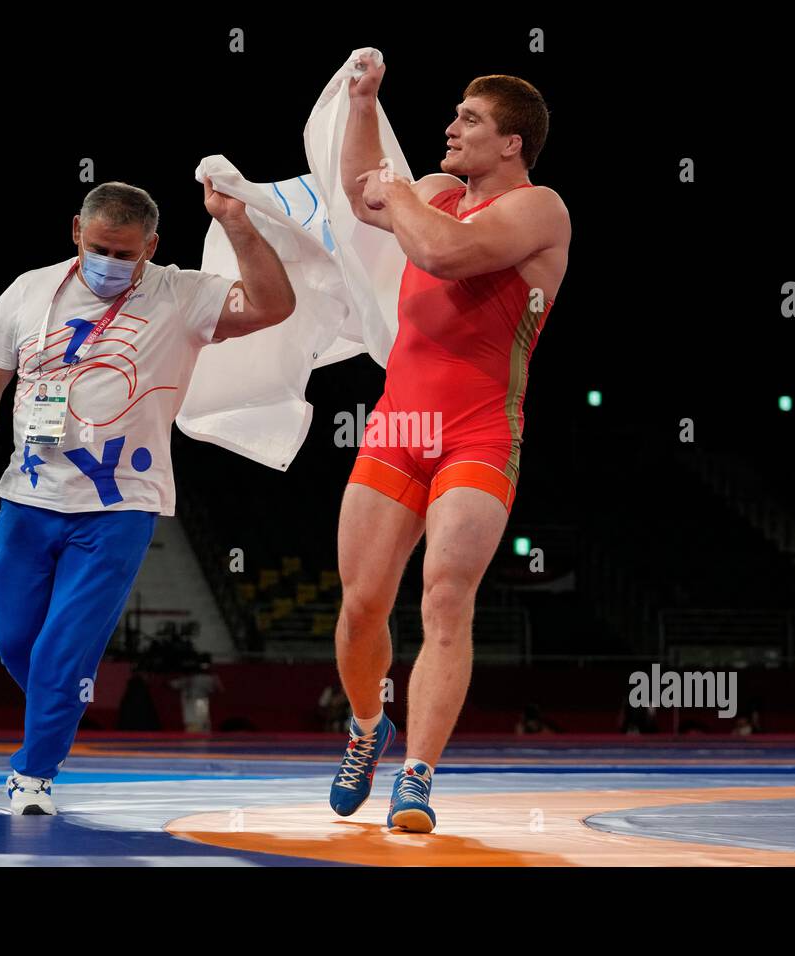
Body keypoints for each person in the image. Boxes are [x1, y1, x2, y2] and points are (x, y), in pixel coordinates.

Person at [0, 181, 295, 814]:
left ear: (152, 247)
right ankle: (64, 698)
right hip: (26, 497)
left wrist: (239, 226)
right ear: (75, 232)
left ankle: (34, 775)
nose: (110, 263)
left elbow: (273, 305)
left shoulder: (180, 293)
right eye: (100, 248)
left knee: (61, 647)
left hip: (119, 508)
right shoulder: (30, 289)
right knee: (14, 640)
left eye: (126, 253)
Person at [327, 58, 571, 832]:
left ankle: (418, 776)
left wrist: (394, 191)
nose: (450, 127)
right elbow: (361, 184)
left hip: (479, 432)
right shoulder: (430, 193)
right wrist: (363, 100)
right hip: (399, 425)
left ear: (512, 143)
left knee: (444, 597)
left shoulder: (540, 210)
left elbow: (440, 254)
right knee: (362, 606)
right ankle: (369, 728)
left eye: (468, 118)